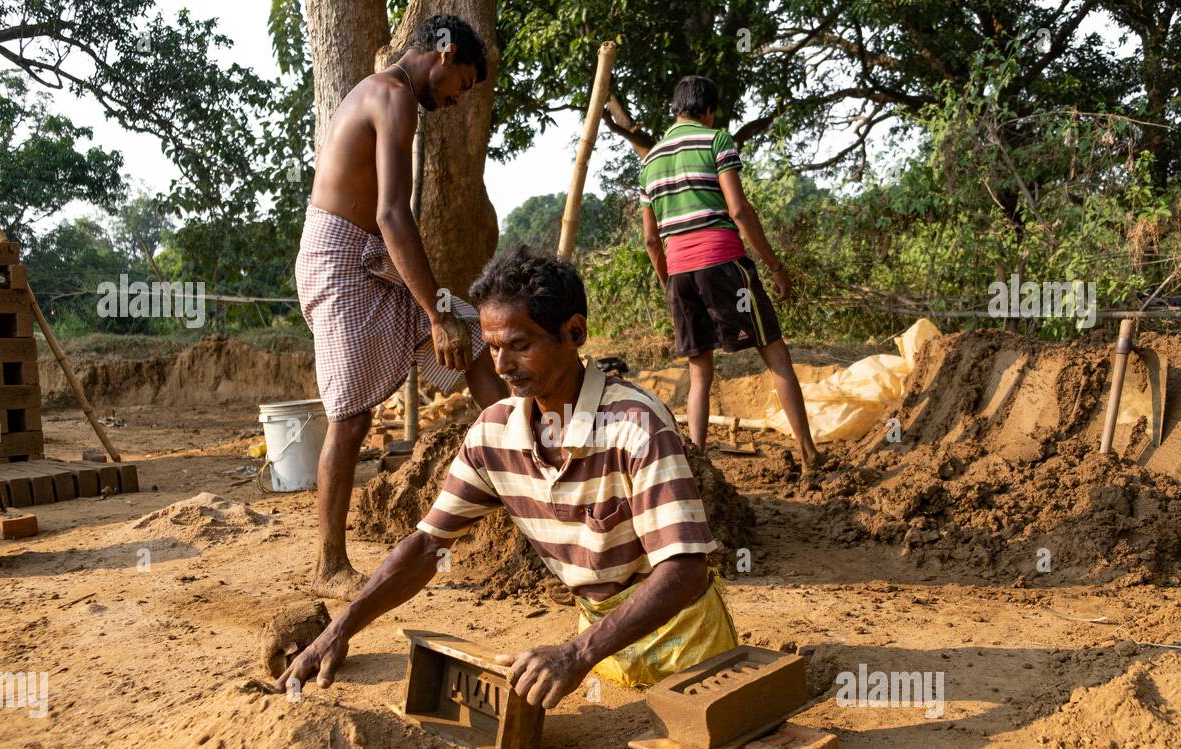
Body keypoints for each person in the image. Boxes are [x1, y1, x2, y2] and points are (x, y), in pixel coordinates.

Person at [277, 247, 739, 706]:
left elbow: (685, 572)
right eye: (493, 347)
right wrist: (340, 629)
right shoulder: (494, 434)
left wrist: (577, 654)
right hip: (605, 660)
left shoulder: (636, 426)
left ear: (574, 332)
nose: (500, 366)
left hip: (690, 654)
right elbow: (426, 548)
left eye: (520, 345)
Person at [296, 13, 508, 600]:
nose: (457, 99)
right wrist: (434, 315)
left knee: (475, 345)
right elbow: (392, 213)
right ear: (443, 56)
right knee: (351, 415)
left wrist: (446, 315)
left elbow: (389, 222)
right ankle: (329, 565)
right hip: (340, 260)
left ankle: (526, 473)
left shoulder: (388, 96)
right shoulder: (393, 98)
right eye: (461, 84)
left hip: (371, 260)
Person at [639, 74, 825, 476]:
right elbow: (738, 211)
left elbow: (652, 241)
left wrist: (670, 283)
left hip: (680, 273)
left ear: (675, 110)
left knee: (699, 373)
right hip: (724, 263)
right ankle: (810, 455)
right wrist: (775, 266)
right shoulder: (716, 140)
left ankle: (698, 468)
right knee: (775, 354)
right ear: (708, 111)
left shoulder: (649, 162)